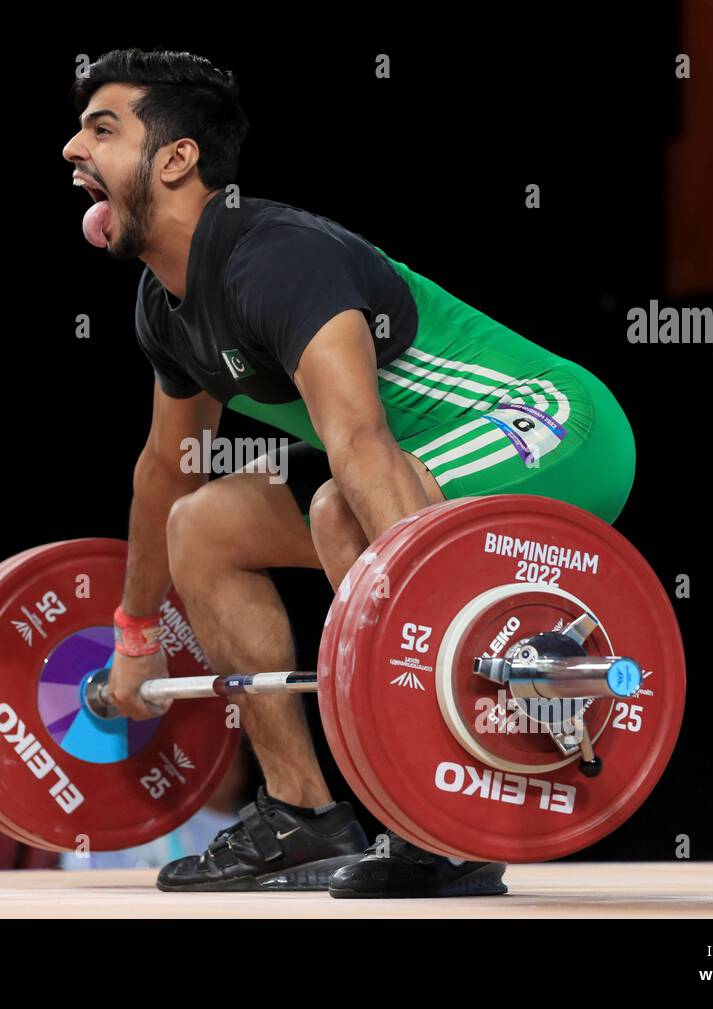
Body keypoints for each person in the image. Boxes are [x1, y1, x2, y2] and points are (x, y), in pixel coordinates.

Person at [63, 49, 634, 897]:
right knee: (204, 525)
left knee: (341, 503)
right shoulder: (164, 305)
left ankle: (434, 826)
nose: (73, 149)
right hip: (407, 470)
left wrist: (437, 677)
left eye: (101, 130)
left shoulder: (278, 256)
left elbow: (362, 446)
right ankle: (301, 816)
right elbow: (165, 473)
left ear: (177, 159)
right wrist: (136, 641)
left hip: (555, 428)